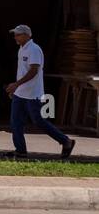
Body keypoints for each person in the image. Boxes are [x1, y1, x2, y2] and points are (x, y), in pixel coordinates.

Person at [6, 24, 76, 158]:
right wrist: (16, 88)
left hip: (33, 94)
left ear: (27, 35)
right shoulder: (21, 49)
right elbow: (22, 71)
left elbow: (34, 71)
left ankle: (66, 141)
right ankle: (20, 150)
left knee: (38, 121)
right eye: (15, 34)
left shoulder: (34, 49)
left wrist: (16, 84)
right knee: (15, 122)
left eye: (18, 34)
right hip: (20, 93)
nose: (15, 37)